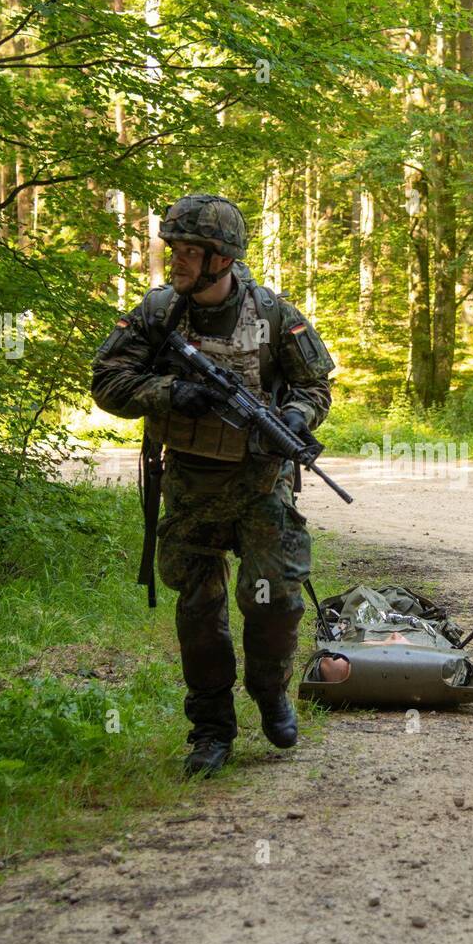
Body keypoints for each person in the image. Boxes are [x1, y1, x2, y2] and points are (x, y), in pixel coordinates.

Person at [91, 193, 334, 777]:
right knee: (199, 610)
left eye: (189, 250)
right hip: (191, 486)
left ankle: (270, 690)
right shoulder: (156, 314)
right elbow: (108, 381)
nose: (175, 258)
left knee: (275, 600)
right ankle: (211, 727)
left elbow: (314, 387)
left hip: (262, 485)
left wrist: (298, 419)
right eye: (172, 247)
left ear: (222, 258)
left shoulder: (274, 313)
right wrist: (171, 394)